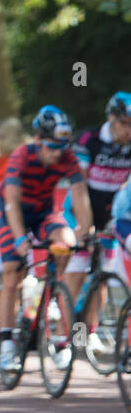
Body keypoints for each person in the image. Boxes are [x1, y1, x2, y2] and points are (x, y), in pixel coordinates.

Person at [0, 106, 90, 372]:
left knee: (67, 239)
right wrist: (19, 239)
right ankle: (6, 343)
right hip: (12, 213)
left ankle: (50, 291)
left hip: (43, 213)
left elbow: (80, 195)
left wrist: (86, 228)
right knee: (12, 272)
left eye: (61, 146)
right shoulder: (21, 156)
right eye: (51, 146)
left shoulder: (67, 157)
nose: (57, 152)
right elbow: (11, 201)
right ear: (38, 141)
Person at [62, 91, 131, 327]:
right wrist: (85, 225)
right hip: (79, 211)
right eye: (126, 125)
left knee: (102, 277)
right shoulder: (87, 140)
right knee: (79, 272)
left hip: (109, 216)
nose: (129, 132)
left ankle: (88, 333)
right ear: (111, 118)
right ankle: (62, 336)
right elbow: (79, 188)